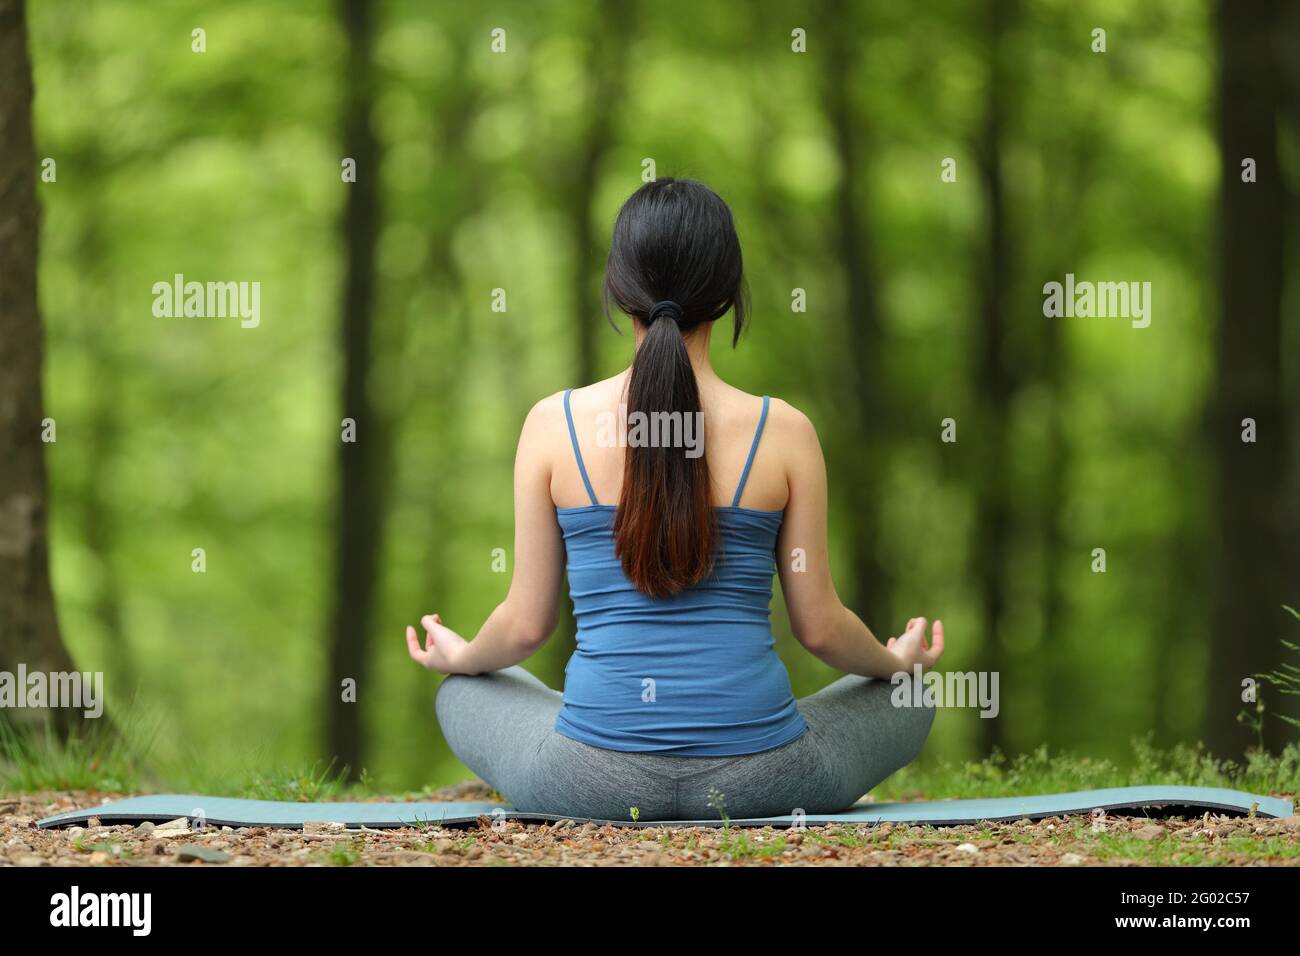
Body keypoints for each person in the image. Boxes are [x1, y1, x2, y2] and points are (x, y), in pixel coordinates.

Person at [406, 177, 943, 821]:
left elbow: (524, 627)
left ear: (617, 289)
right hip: (762, 781)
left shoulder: (553, 425)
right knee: (910, 693)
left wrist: (463, 658)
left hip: (592, 781)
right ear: (727, 296)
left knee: (463, 692)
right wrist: (893, 662)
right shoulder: (786, 432)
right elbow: (821, 629)